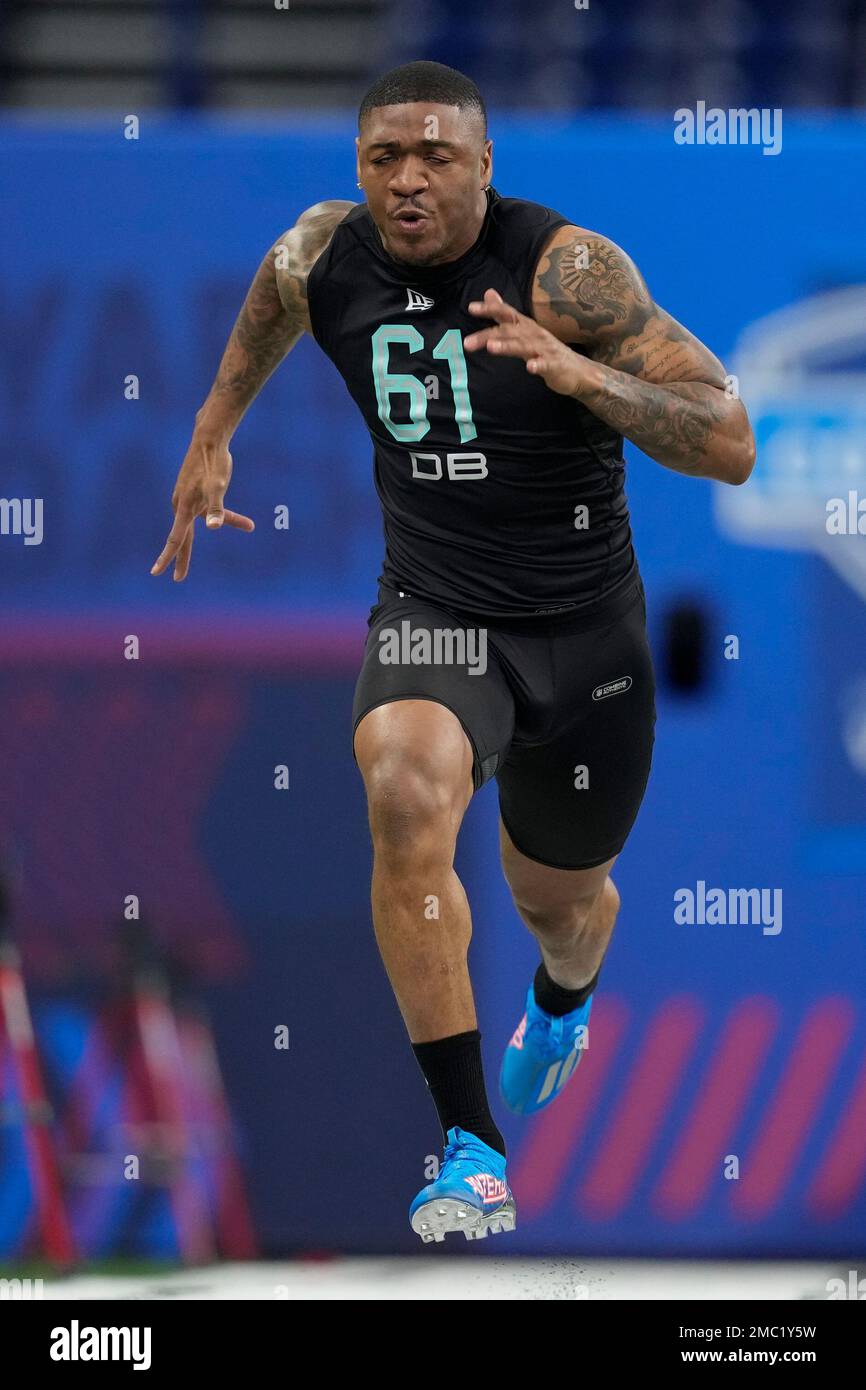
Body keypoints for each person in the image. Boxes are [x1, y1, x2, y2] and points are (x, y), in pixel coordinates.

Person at [151, 60, 755, 1244]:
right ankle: (470, 1146)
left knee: (560, 902)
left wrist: (586, 376)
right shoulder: (324, 252)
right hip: (437, 610)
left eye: (436, 157)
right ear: (360, 170)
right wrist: (213, 429)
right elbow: (272, 300)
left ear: (486, 166)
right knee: (402, 787)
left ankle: (562, 999)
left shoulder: (568, 272)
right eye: (384, 158)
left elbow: (728, 439)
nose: (409, 180)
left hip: (586, 641)